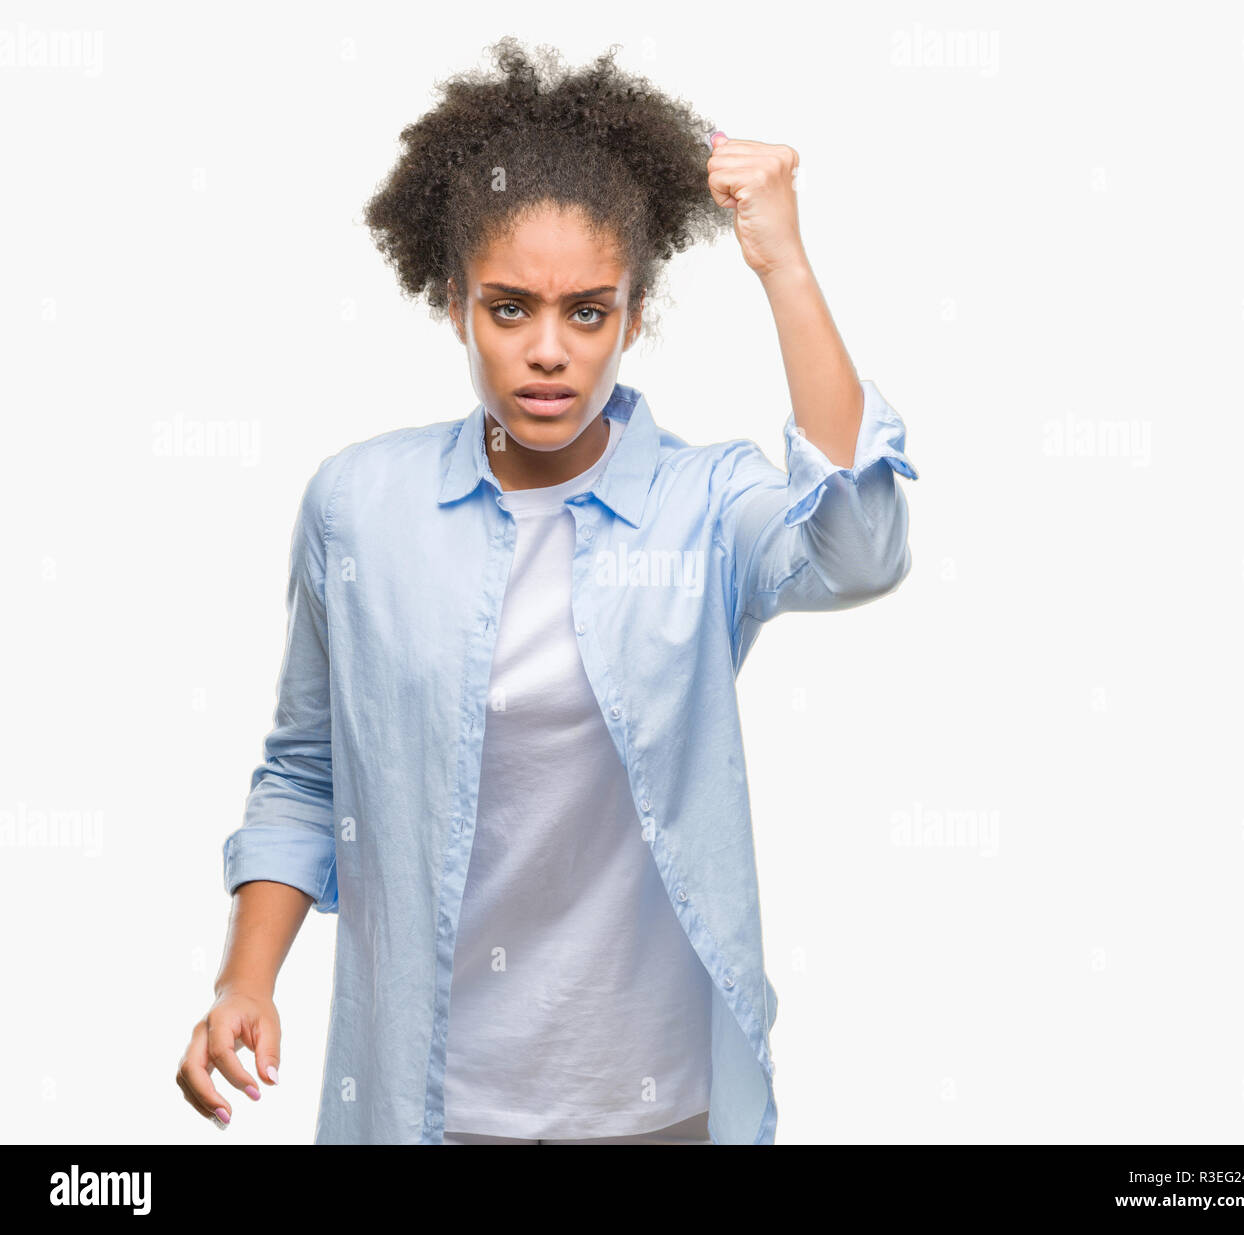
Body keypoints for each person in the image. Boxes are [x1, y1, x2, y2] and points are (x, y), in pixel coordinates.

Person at [175, 36, 918, 1145]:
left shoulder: (701, 506)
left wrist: (783, 265)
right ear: (451, 298)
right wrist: (245, 980)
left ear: (634, 309)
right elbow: (303, 770)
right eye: (509, 307)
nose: (548, 353)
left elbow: (858, 547)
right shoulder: (359, 505)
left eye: (588, 311)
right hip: (424, 1099)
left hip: (656, 1102)